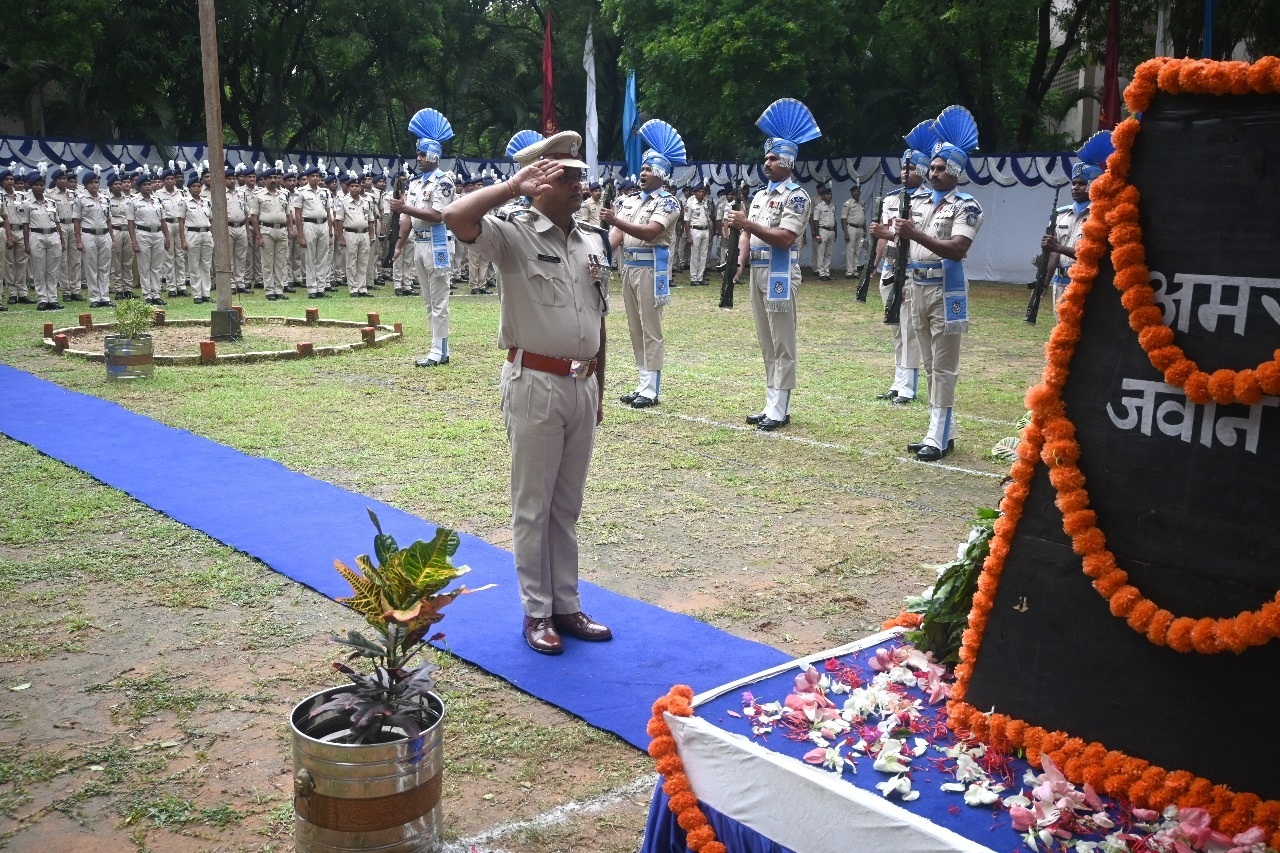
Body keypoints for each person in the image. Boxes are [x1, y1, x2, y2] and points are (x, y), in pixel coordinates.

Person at [442, 130, 612, 656]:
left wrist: (600, 387)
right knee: (533, 506)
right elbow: (455, 216)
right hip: (535, 382)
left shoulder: (592, 240)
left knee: (567, 505)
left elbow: (599, 318)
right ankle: (537, 612)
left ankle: (567, 604)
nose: (579, 185)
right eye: (566, 177)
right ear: (538, 182)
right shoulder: (512, 235)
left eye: (580, 176)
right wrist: (511, 187)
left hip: (582, 384)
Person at [725, 98, 821, 431]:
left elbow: (785, 238)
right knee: (766, 340)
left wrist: (747, 225)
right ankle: (770, 402)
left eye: (773, 157)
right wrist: (740, 260)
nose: (767, 162)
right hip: (758, 270)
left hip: (780, 269)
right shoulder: (761, 196)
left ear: (788, 161)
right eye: (766, 157)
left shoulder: (797, 196)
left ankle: (781, 407)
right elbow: (746, 234)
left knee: (782, 340)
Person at [895, 106, 983, 462]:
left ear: (956, 171)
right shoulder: (918, 201)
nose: (932, 173)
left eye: (940, 168)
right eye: (931, 168)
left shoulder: (967, 206)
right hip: (917, 286)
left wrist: (914, 233)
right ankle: (942, 430)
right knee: (930, 363)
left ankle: (937, 434)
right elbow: (910, 244)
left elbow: (957, 249)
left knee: (944, 365)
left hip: (946, 290)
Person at [601, 119, 685, 410]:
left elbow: (651, 232)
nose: (643, 173)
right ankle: (642, 381)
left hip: (651, 269)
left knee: (651, 328)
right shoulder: (631, 201)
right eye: (643, 168)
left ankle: (651, 389)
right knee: (635, 328)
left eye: (648, 169)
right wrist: (599, 253)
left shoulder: (669, 203)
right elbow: (616, 236)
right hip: (629, 268)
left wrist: (616, 220)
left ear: (661, 173)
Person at [869, 121, 935, 406]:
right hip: (890, 268)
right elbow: (883, 236)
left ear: (923, 170)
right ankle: (898, 382)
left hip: (911, 270)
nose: (905, 172)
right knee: (896, 327)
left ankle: (908, 386)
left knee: (909, 329)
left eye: (911, 168)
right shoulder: (892, 199)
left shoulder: (930, 200)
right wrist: (874, 264)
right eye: (903, 167)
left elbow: (917, 235)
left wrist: (887, 233)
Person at [391, 108, 457, 367]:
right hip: (419, 243)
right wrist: (399, 243)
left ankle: (439, 350)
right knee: (428, 300)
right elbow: (407, 218)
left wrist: (405, 208)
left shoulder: (444, 182)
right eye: (418, 153)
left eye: (422, 153)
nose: (418, 158)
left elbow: (438, 215)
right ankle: (438, 346)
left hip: (437, 242)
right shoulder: (416, 183)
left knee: (439, 300)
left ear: (434, 156)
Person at [1040, 130, 1113, 320]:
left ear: (1093, 185)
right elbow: (1054, 253)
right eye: (1073, 183)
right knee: (1060, 329)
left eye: (1081, 183)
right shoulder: (1061, 214)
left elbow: (1095, 255)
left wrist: (1059, 247)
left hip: (1087, 284)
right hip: (1060, 282)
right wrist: (1044, 282)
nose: (1075, 187)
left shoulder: (1103, 216)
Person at [125, 170, 170, 306]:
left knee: (157, 266)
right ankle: (147, 295)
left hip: (157, 233)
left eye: (149, 184)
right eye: (144, 184)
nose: (147, 186)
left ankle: (156, 294)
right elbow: (130, 223)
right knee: (144, 266)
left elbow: (163, 221)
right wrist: (134, 241)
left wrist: (167, 238)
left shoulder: (157, 200)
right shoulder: (133, 201)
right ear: (138, 187)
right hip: (142, 233)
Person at [24, 168, 65, 311]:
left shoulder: (51, 202)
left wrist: (62, 239)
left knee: (53, 270)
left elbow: (57, 222)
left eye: (41, 185)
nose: (39, 187)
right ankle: (42, 299)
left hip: (53, 235)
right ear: (31, 186)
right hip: (36, 235)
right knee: (39, 269)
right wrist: (26, 243)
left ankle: (52, 299)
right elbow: (25, 225)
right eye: (36, 185)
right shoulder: (27, 203)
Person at [73, 168, 114, 308]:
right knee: (91, 267)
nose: (94, 185)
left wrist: (112, 238)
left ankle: (105, 296)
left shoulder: (105, 199)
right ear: (85, 185)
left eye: (96, 182)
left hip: (104, 234)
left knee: (104, 267)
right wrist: (78, 240)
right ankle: (94, 297)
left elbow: (109, 220)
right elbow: (77, 221)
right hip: (88, 234)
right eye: (91, 182)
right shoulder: (80, 199)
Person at [334, 171, 375, 297]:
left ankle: (362, 288)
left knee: (363, 262)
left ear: (360, 187)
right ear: (348, 188)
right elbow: (339, 220)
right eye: (352, 186)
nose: (355, 188)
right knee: (351, 262)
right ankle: (353, 288)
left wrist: (372, 235)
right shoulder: (343, 201)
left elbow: (371, 220)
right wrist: (341, 237)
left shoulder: (366, 202)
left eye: (357, 186)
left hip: (364, 234)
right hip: (350, 233)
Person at [180, 171, 215, 304]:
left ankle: (206, 293)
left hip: (206, 233)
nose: (196, 188)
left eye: (198, 186)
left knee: (206, 265)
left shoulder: (206, 202)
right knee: (194, 265)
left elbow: (211, 220)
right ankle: (197, 294)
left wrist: (213, 236)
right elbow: (181, 222)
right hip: (192, 233)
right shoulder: (184, 202)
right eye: (194, 186)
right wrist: (183, 240)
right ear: (189, 188)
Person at [685, 182, 714, 286]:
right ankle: (694, 278)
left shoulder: (705, 204)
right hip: (695, 230)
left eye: (703, 192)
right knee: (695, 255)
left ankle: (700, 277)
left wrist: (710, 232)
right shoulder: (690, 204)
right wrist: (688, 235)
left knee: (703, 254)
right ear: (695, 193)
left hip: (705, 230)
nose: (702, 193)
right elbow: (687, 221)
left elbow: (707, 219)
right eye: (699, 192)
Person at [809, 183, 836, 280]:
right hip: (822, 230)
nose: (830, 196)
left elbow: (834, 220)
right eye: (828, 194)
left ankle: (827, 272)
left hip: (831, 231)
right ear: (823, 196)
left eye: (830, 194)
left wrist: (835, 233)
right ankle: (821, 273)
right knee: (821, 253)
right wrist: (817, 235)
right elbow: (815, 221)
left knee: (828, 253)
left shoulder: (832, 206)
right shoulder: (819, 206)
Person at [841, 182, 865, 279]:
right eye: (854, 191)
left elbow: (863, 217)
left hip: (860, 229)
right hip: (851, 228)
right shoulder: (848, 203)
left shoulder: (861, 203)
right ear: (851, 193)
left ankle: (855, 271)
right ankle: (849, 272)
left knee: (857, 250)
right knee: (850, 250)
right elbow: (843, 219)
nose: (856, 193)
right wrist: (846, 233)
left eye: (858, 191)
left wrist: (865, 230)